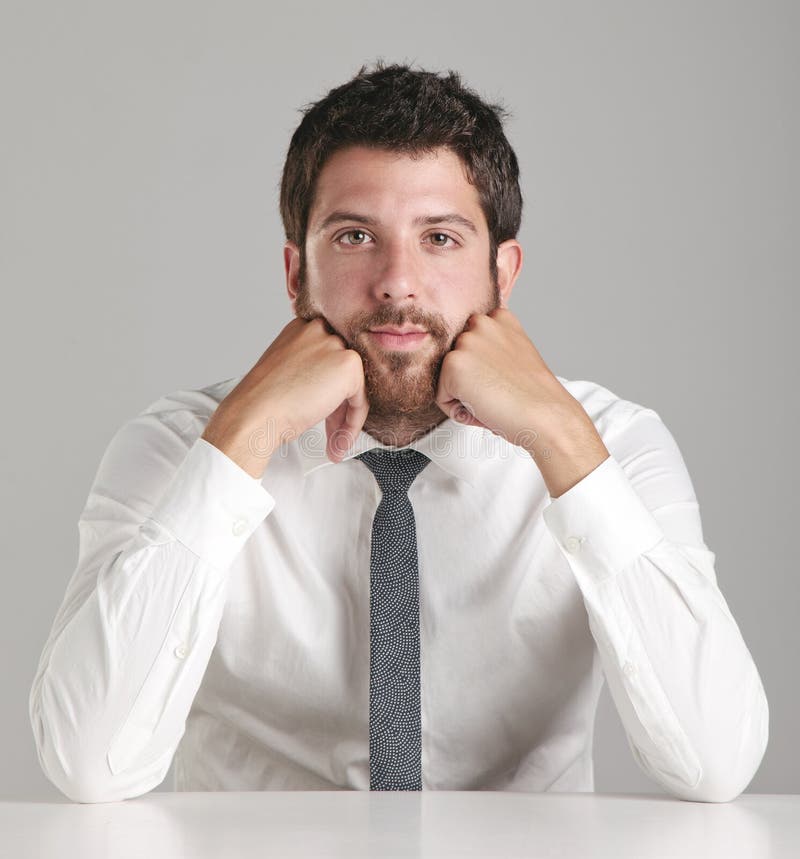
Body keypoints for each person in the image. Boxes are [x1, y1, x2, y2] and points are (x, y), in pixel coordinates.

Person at [29, 62, 768, 804]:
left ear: (502, 272)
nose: (397, 283)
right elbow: (88, 761)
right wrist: (242, 437)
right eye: (354, 236)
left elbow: (716, 762)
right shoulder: (178, 447)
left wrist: (561, 440)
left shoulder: (613, 443)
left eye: (440, 238)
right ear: (296, 273)